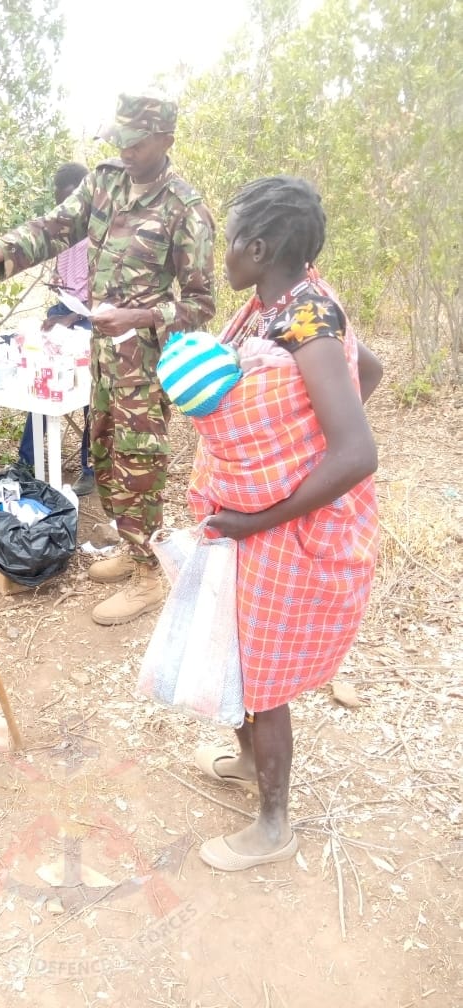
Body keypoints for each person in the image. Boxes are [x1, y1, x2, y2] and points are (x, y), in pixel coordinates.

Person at [0, 95, 215, 625]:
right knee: (107, 449)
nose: (126, 151)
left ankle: (148, 576)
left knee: (140, 460)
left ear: (166, 140)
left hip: (145, 360)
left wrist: (137, 317)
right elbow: (54, 227)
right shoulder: (106, 182)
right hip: (101, 354)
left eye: (136, 143)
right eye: (120, 140)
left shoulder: (186, 209)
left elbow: (201, 304)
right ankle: (130, 546)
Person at [186, 176, 381, 872]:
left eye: (230, 241)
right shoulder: (272, 307)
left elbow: (356, 450)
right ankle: (247, 764)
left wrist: (264, 506)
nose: (223, 255)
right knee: (238, 652)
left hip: (282, 528)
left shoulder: (307, 318)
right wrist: (293, 433)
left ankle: (274, 824)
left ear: (259, 246)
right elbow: (371, 369)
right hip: (254, 519)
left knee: (261, 677)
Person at [15, 162, 95, 496]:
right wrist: (58, 304)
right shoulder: (64, 236)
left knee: (92, 393)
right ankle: (26, 462)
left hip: (91, 320)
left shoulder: (101, 235)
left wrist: (72, 319)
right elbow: (69, 284)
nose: (64, 209)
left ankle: (91, 467)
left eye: (69, 200)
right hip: (65, 312)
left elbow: (103, 292)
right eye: (59, 202)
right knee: (41, 382)